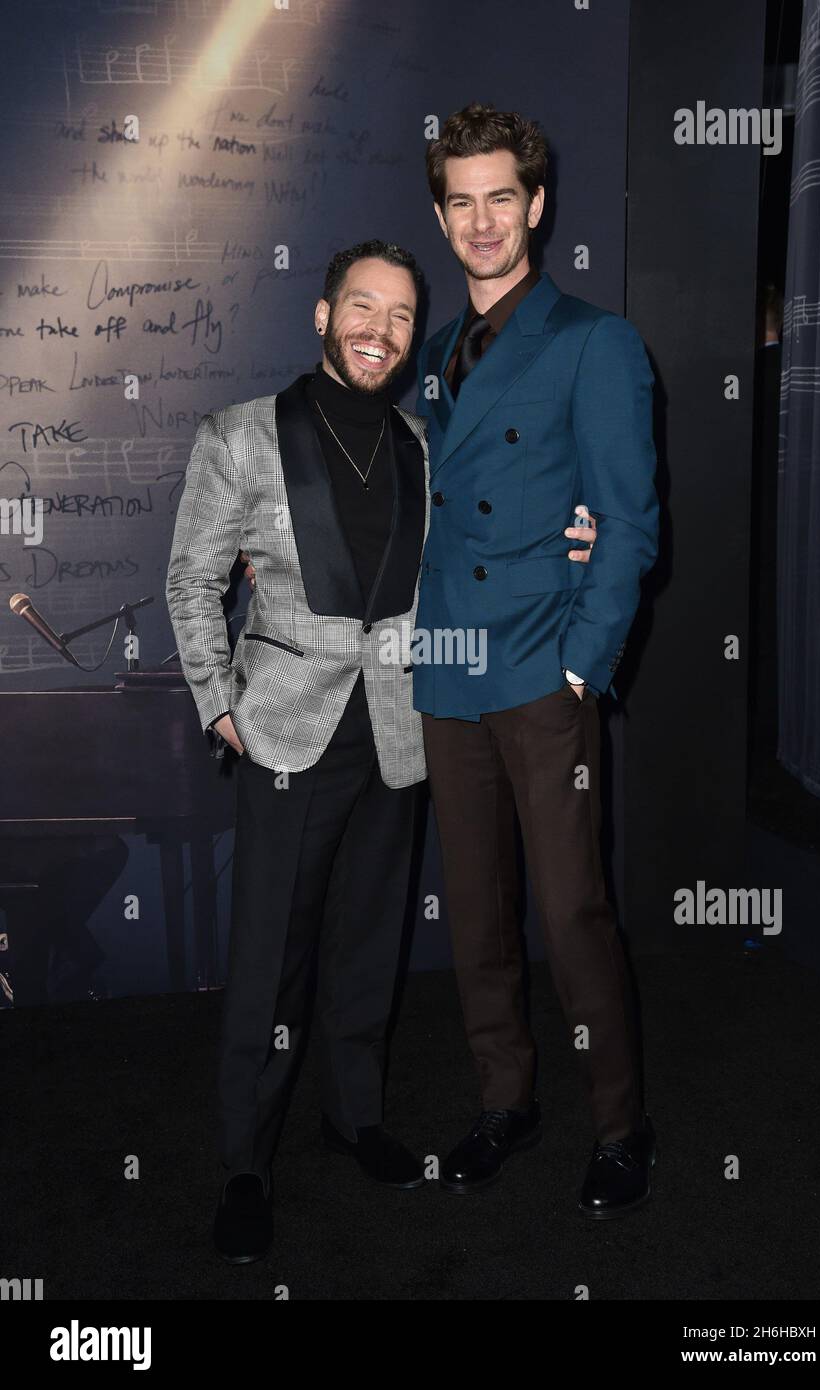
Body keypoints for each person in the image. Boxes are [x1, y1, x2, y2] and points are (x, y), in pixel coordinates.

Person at [166, 236, 601, 1262]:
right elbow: (189, 579)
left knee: (367, 944)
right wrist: (213, 699)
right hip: (282, 726)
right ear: (322, 315)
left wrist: (579, 532)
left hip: (399, 729)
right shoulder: (238, 435)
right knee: (269, 957)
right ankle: (244, 1161)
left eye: (402, 316)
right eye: (361, 307)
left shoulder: (420, 442)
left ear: (414, 336)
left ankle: (352, 1117)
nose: (380, 329)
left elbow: (498, 529)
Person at [412, 104, 660, 1217]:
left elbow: (626, 522)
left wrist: (578, 663)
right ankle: (505, 1099)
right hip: (448, 672)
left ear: (536, 206)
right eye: (460, 201)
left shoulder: (595, 343)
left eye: (498, 197)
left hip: (539, 673)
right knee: (473, 913)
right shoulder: (426, 358)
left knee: (569, 913)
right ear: (440, 213)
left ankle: (617, 1123)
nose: (480, 221)